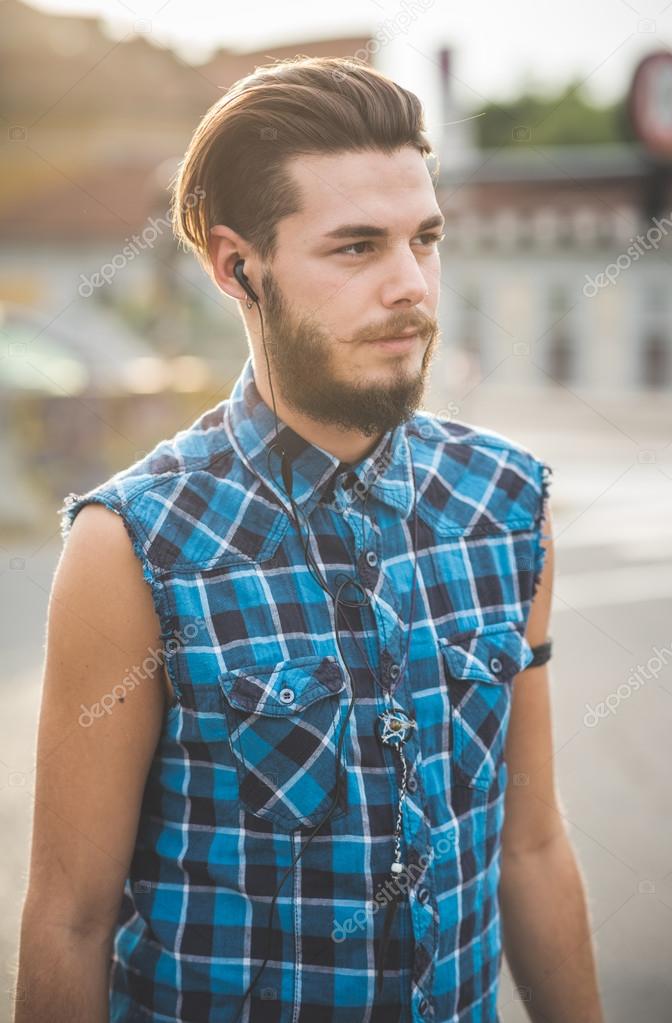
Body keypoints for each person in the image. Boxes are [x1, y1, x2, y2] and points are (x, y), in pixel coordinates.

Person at [14, 56, 604, 1023]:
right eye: (356, 248)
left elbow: (529, 844)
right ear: (236, 267)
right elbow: (69, 922)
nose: (409, 287)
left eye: (426, 239)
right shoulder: (135, 546)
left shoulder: (507, 504)